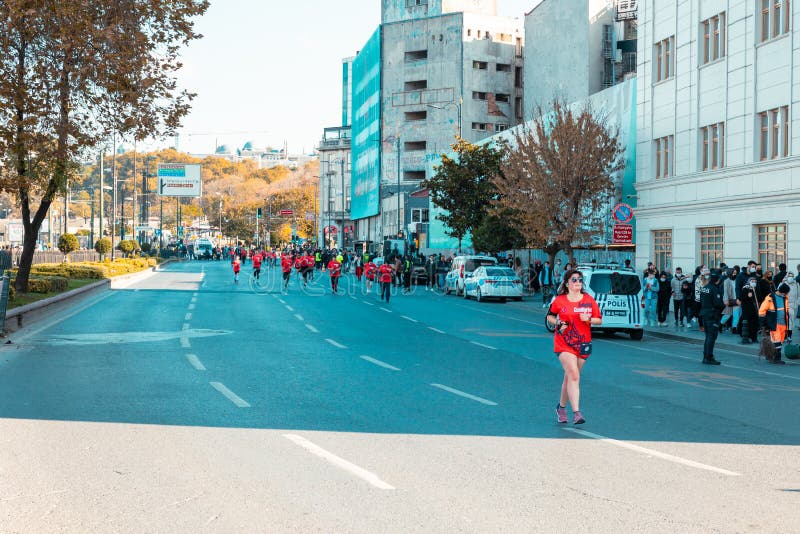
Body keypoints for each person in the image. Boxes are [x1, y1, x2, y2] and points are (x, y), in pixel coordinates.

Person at [546, 269, 602, 425]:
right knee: (574, 375)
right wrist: (557, 322)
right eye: (574, 280)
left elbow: (599, 320)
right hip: (564, 343)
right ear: (567, 283)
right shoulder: (560, 300)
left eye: (580, 280)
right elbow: (549, 316)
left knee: (570, 377)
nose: (578, 282)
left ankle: (561, 408)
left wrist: (589, 319)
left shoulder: (589, 300)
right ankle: (577, 413)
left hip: (583, 344)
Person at [759, 283, 791, 365]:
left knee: (780, 341)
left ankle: (770, 355)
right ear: (782, 292)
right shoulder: (770, 298)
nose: (786, 294)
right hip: (774, 324)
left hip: (783, 324)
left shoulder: (785, 298)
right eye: (786, 293)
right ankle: (777, 358)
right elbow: (762, 311)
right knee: (776, 341)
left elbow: (786, 310)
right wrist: (763, 324)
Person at [699, 269, 725, 365]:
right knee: (711, 337)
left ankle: (706, 356)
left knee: (708, 337)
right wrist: (725, 305)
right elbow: (718, 303)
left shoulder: (705, 287)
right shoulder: (714, 289)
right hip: (712, 315)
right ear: (717, 280)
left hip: (705, 314)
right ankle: (708, 357)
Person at [739, 277, 760, 344]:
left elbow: (759, 298)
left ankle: (754, 337)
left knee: (754, 324)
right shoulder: (745, 288)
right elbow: (741, 298)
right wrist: (748, 296)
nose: (754, 282)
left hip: (754, 309)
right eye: (752, 281)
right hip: (747, 309)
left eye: (755, 281)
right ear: (749, 282)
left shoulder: (756, 289)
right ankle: (745, 336)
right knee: (746, 323)